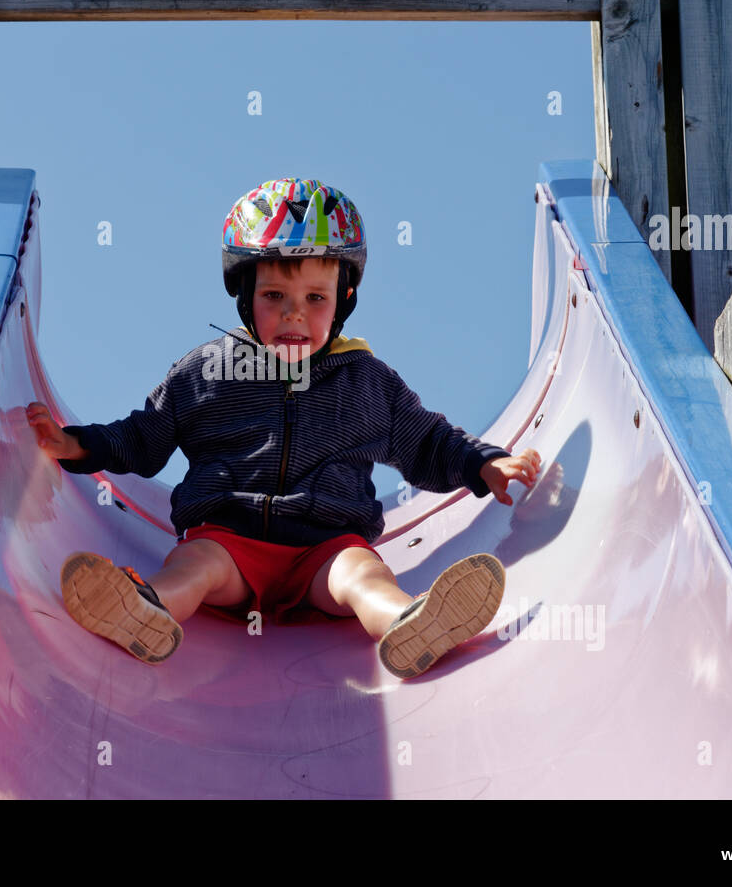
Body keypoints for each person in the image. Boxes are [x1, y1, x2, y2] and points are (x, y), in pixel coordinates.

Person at [28, 177, 541, 679]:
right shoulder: (209, 372)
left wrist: (483, 462)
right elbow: (145, 435)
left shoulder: (364, 381)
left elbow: (426, 440)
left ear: (344, 301)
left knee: (361, 574)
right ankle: (144, 609)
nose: (294, 314)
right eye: (274, 295)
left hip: (325, 549)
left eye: (315, 299)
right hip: (230, 539)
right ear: (244, 298)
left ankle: (407, 623)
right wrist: (77, 443)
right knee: (196, 566)